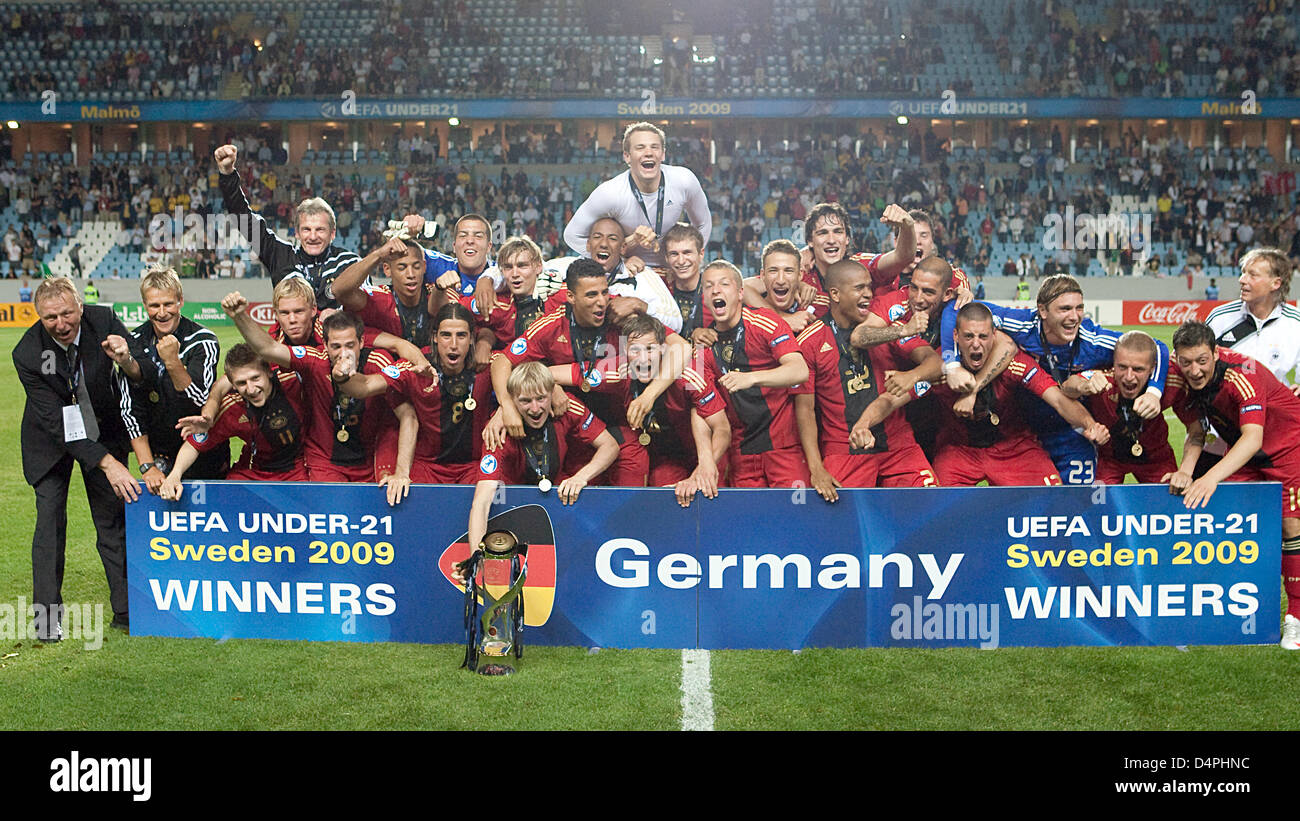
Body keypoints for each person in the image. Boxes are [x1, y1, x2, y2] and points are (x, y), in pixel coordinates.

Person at [940, 274, 1169, 485]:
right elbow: (956, 310)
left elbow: (1156, 346)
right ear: (1043, 310)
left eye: (1079, 308)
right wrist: (951, 365)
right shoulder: (1022, 325)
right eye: (1065, 309)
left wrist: (1154, 392)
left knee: (1079, 503)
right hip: (1024, 432)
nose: (1074, 316)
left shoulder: (1093, 341)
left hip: (1072, 432)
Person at [13, 277, 140, 640]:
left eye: (67, 313)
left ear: (80, 308)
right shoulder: (27, 353)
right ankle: (47, 623)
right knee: (49, 524)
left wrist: (126, 355)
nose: (61, 323)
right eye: (50, 317)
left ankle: (127, 611)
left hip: (102, 428)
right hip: (50, 441)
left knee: (113, 521)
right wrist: (108, 463)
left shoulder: (104, 322)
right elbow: (57, 423)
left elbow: (139, 369)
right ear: (38, 316)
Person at [490, 258, 687, 485]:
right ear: (571, 297)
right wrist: (506, 407)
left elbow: (681, 347)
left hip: (620, 427)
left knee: (629, 487)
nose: (602, 302)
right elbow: (502, 361)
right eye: (592, 295)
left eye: (604, 292)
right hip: (571, 429)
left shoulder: (622, 315)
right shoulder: (552, 325)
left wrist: (648, 396)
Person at [1164, 320, 1300, 649]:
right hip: (1242, 452)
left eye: (1202, 361)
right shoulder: (1179, 375)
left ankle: (1295, 617)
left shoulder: (1243, 373)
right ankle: (1222, 612)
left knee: (1290, 527)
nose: (1194, 371)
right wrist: (1186, 470)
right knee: (1224, 520)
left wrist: (1209, 477)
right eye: (1186, 362)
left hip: (1286, 448)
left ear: (1215, 353)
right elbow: (1196, 433)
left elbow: (1254, 438)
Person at [222, 293, 417, 503]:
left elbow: (408, 416)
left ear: (362, 342)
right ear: (324, 345)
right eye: (335, 346)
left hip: (370, 459)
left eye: (350, 345)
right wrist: (240, 316)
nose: (344, 354)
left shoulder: (379, 362)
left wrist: (402, 472)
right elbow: (268, 349)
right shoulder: (314, 361)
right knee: (334, 511)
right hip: (325, 462)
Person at [795, 259, 940, 501]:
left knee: (932, 510)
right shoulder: (810, 341)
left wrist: (911, 375)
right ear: (835, 294)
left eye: (870, 287)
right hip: (845, 452)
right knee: (842, 528)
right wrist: (816, 468)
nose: (868, 295)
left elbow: (935, 363)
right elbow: (805, 412)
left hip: (898, 447)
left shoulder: (886, 330)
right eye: (859, 288)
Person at [550, 313, 730, 506]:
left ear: (663, 349)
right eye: (635, 350)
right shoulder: (616, 370)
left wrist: (701, 470)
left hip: (706, 452)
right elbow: (549, 374)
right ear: (625, 350)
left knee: (709, 498)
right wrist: (553, 388)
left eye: (650, 349)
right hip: (666, 457)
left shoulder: (689, 375)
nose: (643, 358)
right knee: (666, 501)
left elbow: (722, 429)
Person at [926, 302, 1108, 486]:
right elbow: (907, 393)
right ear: (955, 336)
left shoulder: (1015, 364)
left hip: (1013, 449)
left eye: (983, 336)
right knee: (940, 503)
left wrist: (1090, 425)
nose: (976, 344)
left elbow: (1059, 400)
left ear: (994, 336)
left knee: (1052, 497)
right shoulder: (941, 365)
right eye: (968, 336)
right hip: (959, 451)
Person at [335, 303, 493, 485]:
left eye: (461, 336)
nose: (454, 345)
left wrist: (503, 409)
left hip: (473, 467)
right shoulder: (415, 367)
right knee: (401, 496)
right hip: (428, 467)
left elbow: (516, 370)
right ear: (434, 337)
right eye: (446, 335)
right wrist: (341, 377)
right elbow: (365, 386)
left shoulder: (487, 365)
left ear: (472, 338)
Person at [468, 362, 620, 549]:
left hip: (556, 499)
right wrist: (476, 554)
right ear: (512, 400)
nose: (534, 408)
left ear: (552, 393)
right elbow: (482, 501)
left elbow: (610, 446)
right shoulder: (498, 431)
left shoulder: (567, 407)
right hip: (513, 506)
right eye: (525, 401)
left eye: (541, 398)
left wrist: (581, 477)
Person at [693, 259, 810, 487]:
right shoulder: (700, 348)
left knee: (797, 513)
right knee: (748, 520)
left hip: (782, 447)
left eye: (724, 284)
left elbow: (799, 370)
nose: (715, 289)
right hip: (741, 453)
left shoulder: (764, 321)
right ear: (704, 298)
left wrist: (752, 378)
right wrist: (704, 462)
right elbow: (697, 408)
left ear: (739, 293)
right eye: (708, 286)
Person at [214, 143, 362, 310]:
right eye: (306, 229)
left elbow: (367, 308)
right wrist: (227, 175)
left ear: (333, 233)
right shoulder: (280, 255)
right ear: (297, 233)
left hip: (336, 335)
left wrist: (337, 317)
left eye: (320, 230)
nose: (313, 236)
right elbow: (243, 219)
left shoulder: (350, 264)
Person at [120, 266, 228, 495]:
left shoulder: (203, 341)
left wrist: (172, 362)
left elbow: (199, 400)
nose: (162, 313)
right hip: (159, 456)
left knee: (211, 524)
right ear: (144, 306)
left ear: (180, 301)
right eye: (154, 305)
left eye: (168, 304)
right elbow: (130, 409)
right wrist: (147, 466)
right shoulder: (134, 342)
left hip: (203, 449)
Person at [162, 343, 310, 493]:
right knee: (227, 497)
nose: (251, 389)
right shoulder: (231, 406)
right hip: (254, 473)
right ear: (232, 384)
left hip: (298, 470)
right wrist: (175, 474)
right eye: (241, 383)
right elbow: (194, 444)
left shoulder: (293, 382)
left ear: (268, 372)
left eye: (255, 378)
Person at [563, 122, 711, 269]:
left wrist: (689, 261)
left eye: (655, 147)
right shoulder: (610, 193)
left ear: (663, 154)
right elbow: (572, 236)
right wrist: (618, 262)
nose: (648, 152)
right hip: (630, 272)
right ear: (627, 156)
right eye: (640, 147)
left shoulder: (684, 180)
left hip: (672, 270)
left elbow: (703, 224)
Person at [1073, 331, 1178, 485]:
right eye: (1122, 367)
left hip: (1156, 459)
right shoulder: (1102, 378)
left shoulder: (1172, 382)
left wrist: (1186, 471)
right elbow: (1067, 387)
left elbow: (1196, 427)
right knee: (1097, 504)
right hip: (1109, 459)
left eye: (1138, 369)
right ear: (1113, 363)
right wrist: (1084, 385)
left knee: (1169, 503)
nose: (1129, 377)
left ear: (1152, 368)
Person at [334, 232, 435, 348]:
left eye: (416, 267)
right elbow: (339, 290)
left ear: (424, 267)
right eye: (402, 268)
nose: (411, 274)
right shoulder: (379, 300)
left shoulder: (437, 294)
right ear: (387, 269)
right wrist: (379, 255)